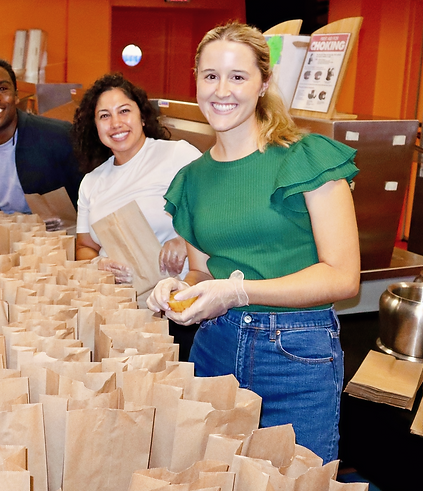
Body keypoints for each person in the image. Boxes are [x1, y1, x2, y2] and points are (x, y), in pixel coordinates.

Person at [147, 22, 361, 463]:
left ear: (263, 83)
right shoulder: (192, 179)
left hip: (296, 354)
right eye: (210, 76)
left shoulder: (306, 158)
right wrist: (178, 290)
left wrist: (241, 291)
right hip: (216, 347)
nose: (221, 90)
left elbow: (343, 277)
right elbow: (204, 270)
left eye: (237, 76)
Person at [70, 72, 201, 283]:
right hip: (115, 302)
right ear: (95, 126)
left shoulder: (178, 156)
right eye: (104, 115)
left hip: (173, 298)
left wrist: (185, 242)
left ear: (141, 117)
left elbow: (219, 213)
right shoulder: (91, 182)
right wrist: (97, 264)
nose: (116, 123)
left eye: (124, 111)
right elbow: (85, 247)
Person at [0, 56, 83, 231]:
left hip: (59, 242)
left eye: (2, 88)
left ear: (17, 96)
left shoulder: (60, 137)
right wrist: (8, 227)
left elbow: (91, 197)